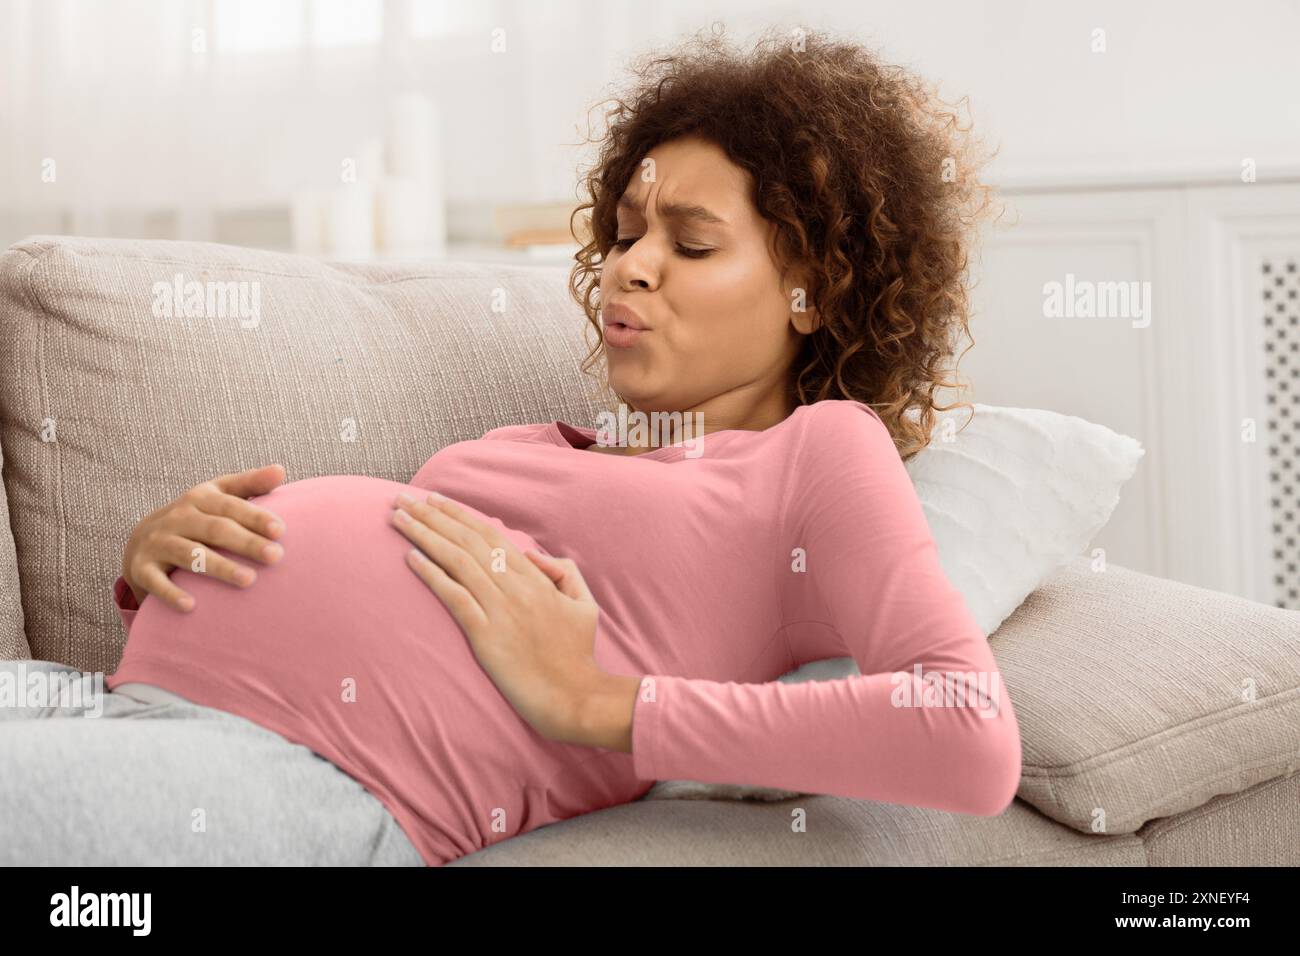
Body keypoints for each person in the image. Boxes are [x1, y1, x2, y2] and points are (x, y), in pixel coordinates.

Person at [0, 26, 1017, 866]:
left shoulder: (817, 455)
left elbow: (967, 731)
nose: (630, 269)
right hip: (111, 702)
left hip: (298, 774)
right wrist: (163, 564)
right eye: (624, 235)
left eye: (690, 243)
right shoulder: (537, 441)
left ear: (815, 287)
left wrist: (604, 702)